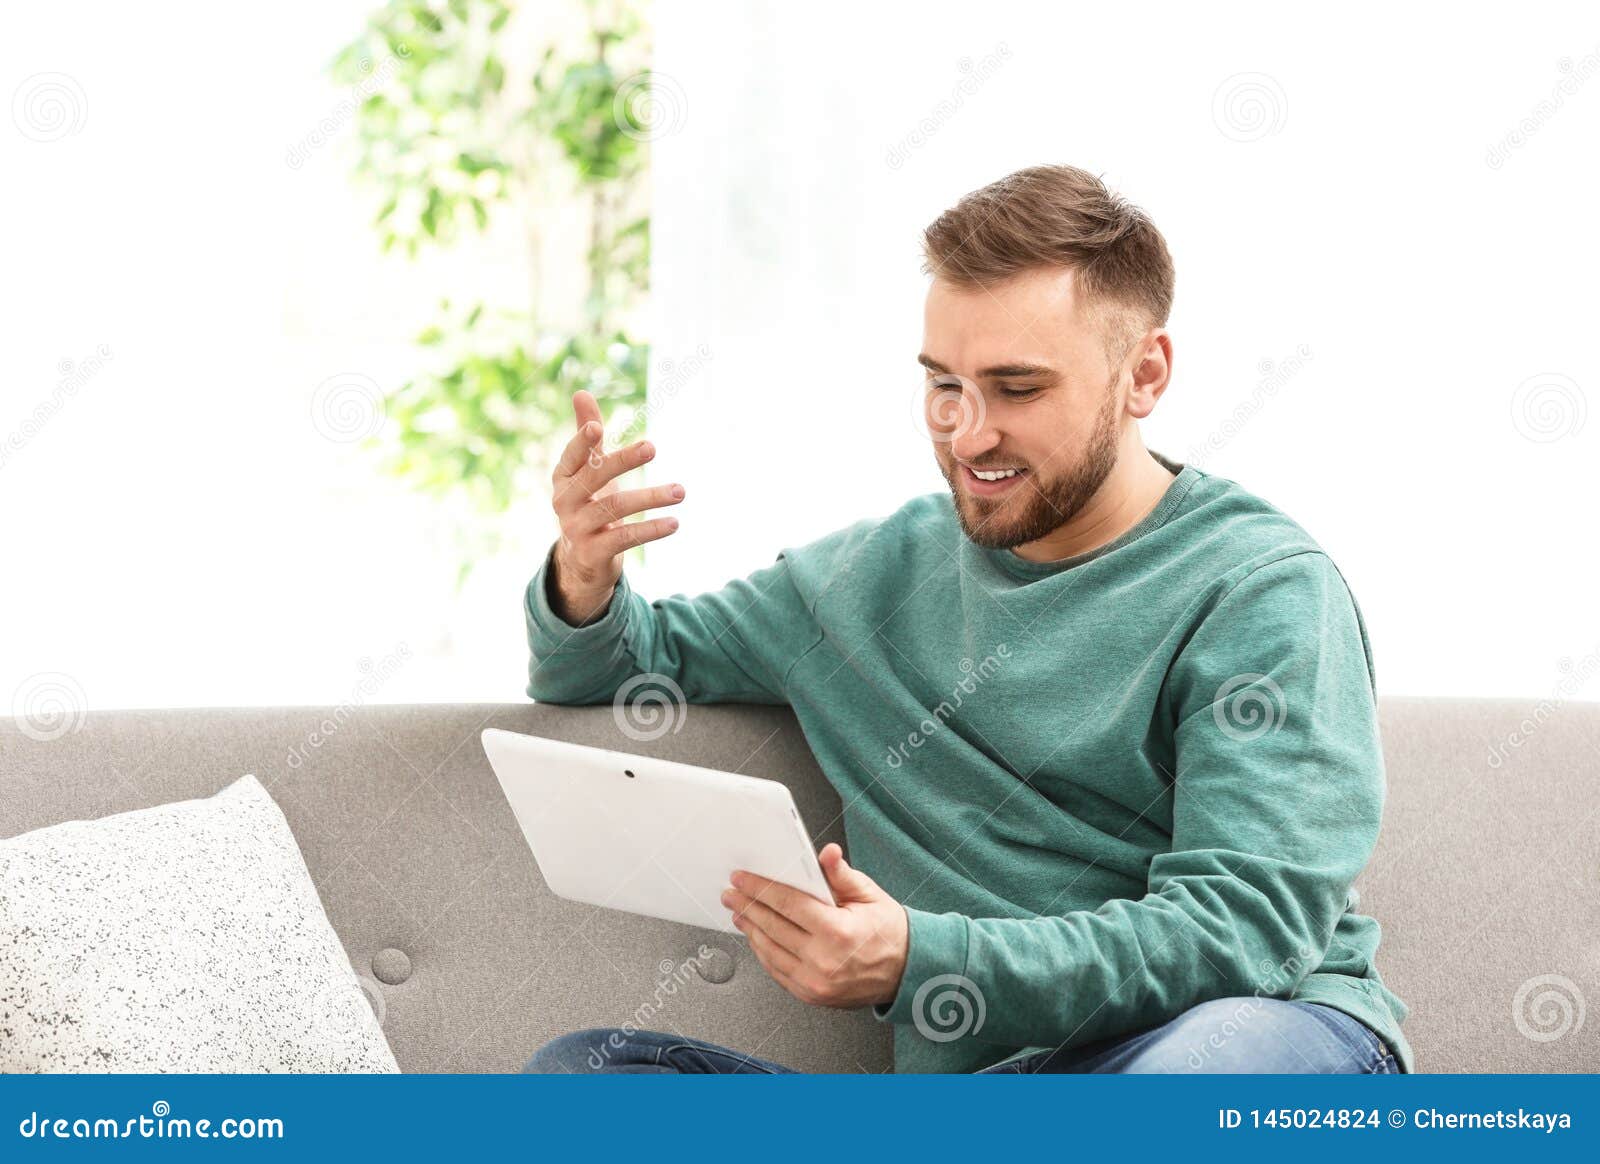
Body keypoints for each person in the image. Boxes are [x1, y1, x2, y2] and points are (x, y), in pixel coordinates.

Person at [520, 164, 1409, 1074]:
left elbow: (1240, 934)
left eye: (1018, 389)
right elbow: (620, 670)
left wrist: (921, 960)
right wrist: (586, 571)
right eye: (946, 384)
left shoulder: (1259, 591)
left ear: (1144, 374)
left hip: (1233, 1047)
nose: (969, 434)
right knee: (587, 1078)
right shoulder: (866, 580)